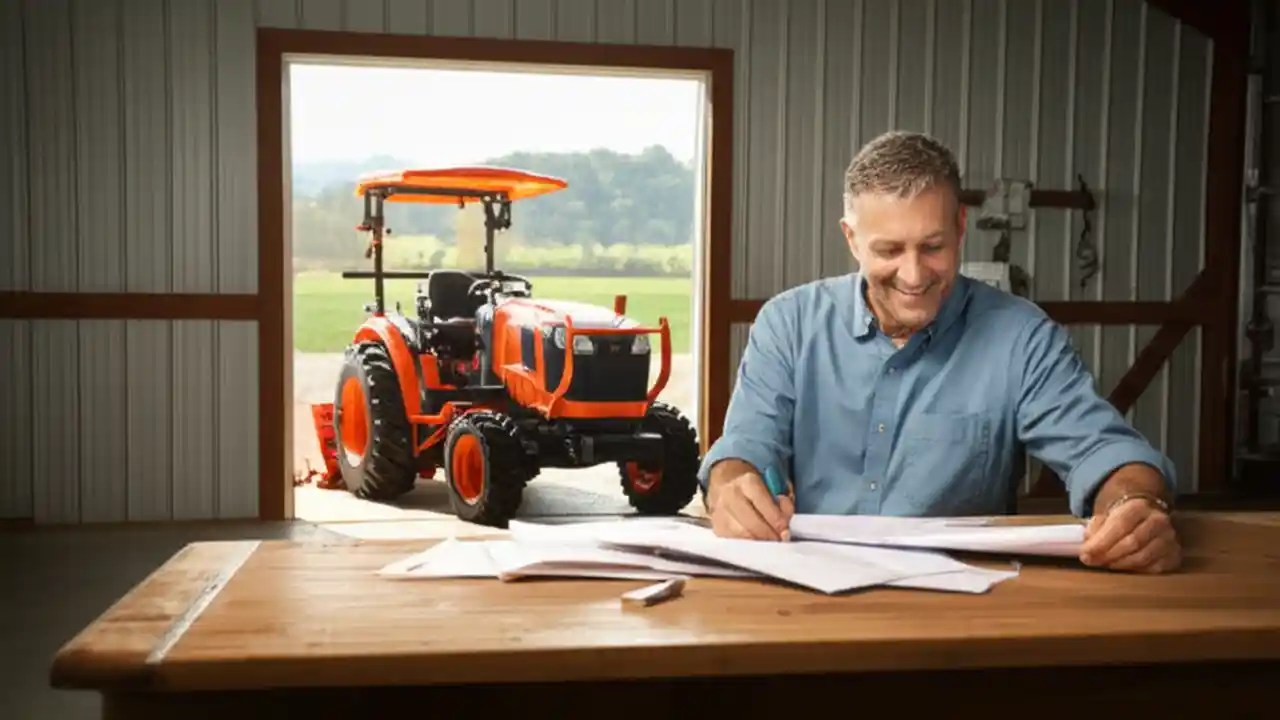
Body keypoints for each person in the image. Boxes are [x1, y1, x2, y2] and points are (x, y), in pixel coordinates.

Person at [698, 130, 1181, 574]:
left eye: (933, 246)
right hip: (807, 590)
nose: (913, 275)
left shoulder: (1022, 337)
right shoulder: (789, 324)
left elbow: (1107, 451)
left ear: (960, 226)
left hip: (963, 609)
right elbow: (745, 448)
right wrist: (730, 485)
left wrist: (1133, 506)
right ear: (851, 239)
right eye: (888, 251)